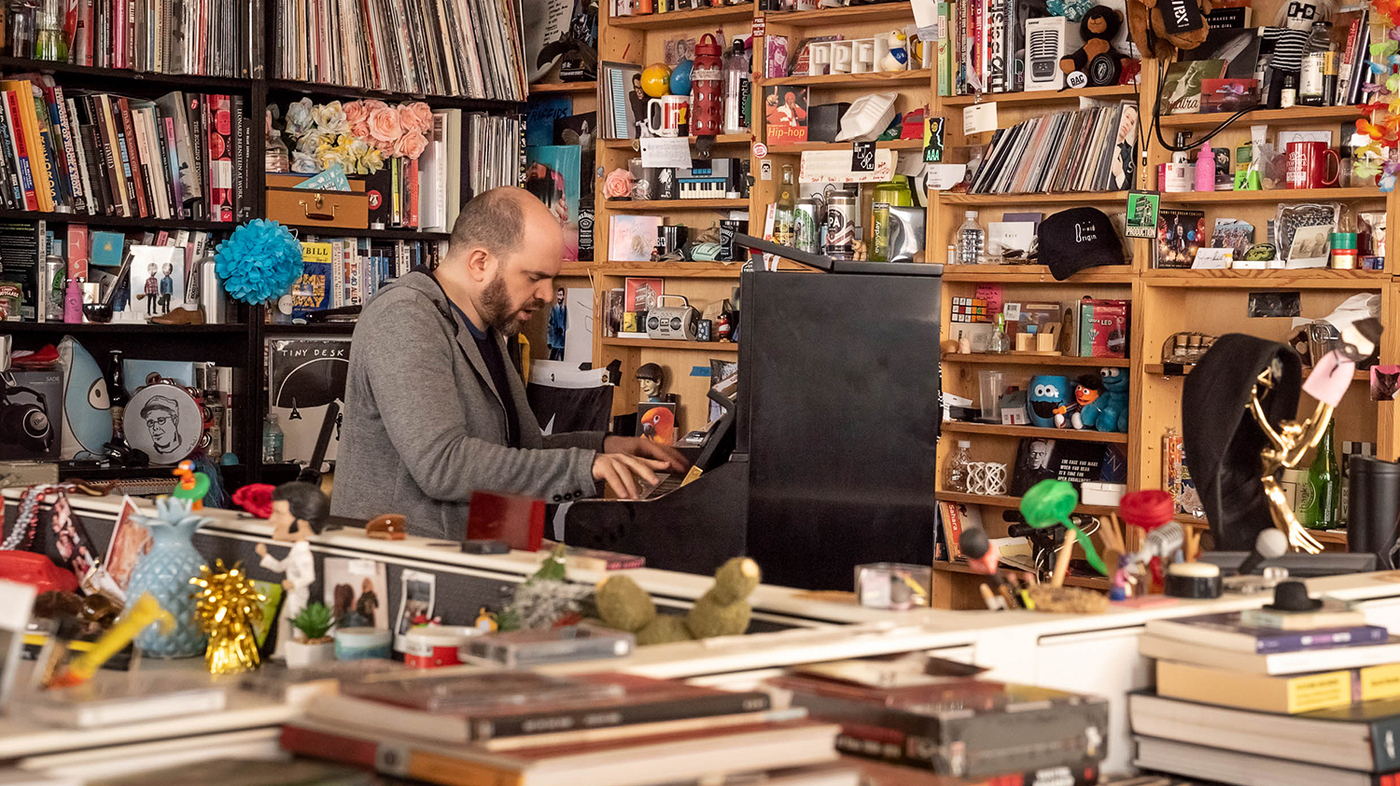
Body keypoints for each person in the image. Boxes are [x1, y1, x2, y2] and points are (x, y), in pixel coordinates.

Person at [334, 187, 687, 539]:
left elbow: (515, 451)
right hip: (402, 572)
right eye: (534, 278)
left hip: (474, 557)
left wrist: (608, 446)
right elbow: (444, 464)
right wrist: (586, 466)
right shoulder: (405, 316)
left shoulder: (484, 326)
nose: (548, 295)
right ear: (480, 263)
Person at [255, 482, 329, 659]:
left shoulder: (304, 554)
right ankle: (281, 654)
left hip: (298, 595)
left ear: (302, 523)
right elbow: (282, 566)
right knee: (284, 621)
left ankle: (292, 656)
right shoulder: (297, 550)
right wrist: (265, 556)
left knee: (296, 626)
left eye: (279, 513)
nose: (272, 521)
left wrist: (293, 583)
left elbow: (309, 576)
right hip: (292, 595)